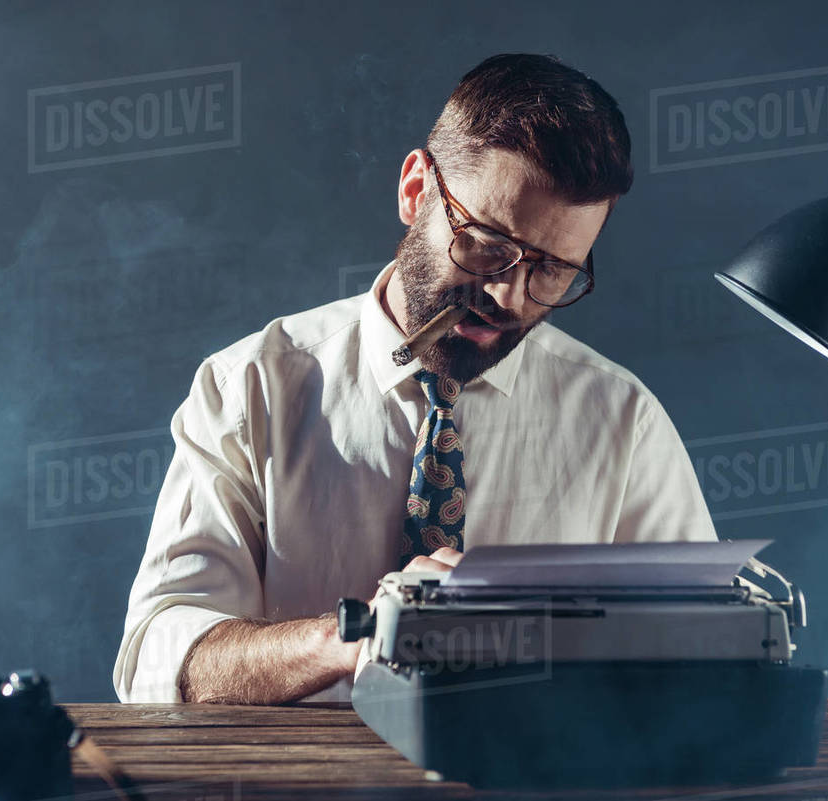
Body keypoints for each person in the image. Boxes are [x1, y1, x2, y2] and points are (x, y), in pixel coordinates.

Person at [113, 52, 717, 706]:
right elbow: (157, 661)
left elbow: (707, 664)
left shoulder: (623, 419)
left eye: (551, 270)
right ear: (414, 190)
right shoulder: (250, 387)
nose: (508, 296)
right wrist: (358, 637)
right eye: (488, 244)